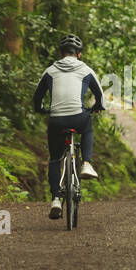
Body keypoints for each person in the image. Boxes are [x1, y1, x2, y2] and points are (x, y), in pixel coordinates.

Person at [33, 34, 105, 219]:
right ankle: (87, 163)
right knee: (87, 128)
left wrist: (40, 109)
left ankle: (56, 198)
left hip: (56, 120)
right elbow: (100, 96)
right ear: (79, 54)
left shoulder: (50, 70)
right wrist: (97, 107)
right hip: (78, 117)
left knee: (55, 159)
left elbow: (37, 97)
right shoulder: (86, 69)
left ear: (60, 53)